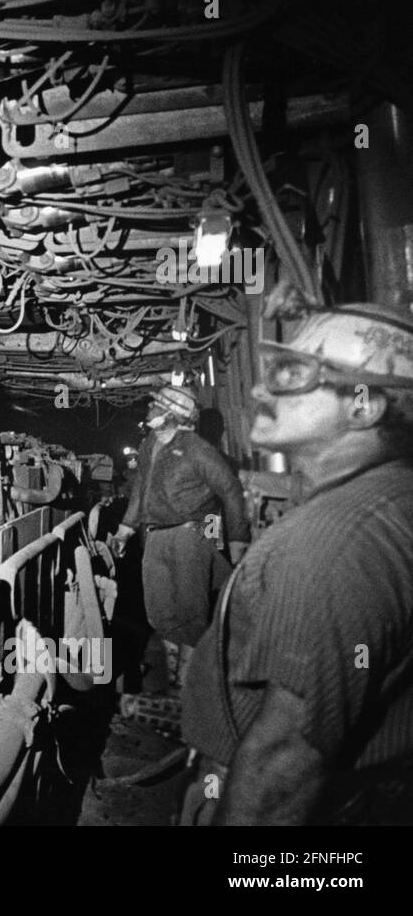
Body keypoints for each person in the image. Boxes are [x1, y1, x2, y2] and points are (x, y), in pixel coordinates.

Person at [181, 303, 413, 825]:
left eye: (292, 374)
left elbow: (286, 765)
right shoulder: (388, 500)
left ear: (363, 405)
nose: (261, 391)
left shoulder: (330, 545)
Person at [113, 385, 249, 658]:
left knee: (190, 616)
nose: (151, 408)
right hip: (155, 536)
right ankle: (176, 670)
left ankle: (197, 677)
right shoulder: (151, 443)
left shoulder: (197, 449)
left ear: (173, 413)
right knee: (158, 612)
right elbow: (141, 485)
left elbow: (231, 490)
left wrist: (237, 540)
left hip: (190, 534)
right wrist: (125, 529)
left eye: (157, 405)